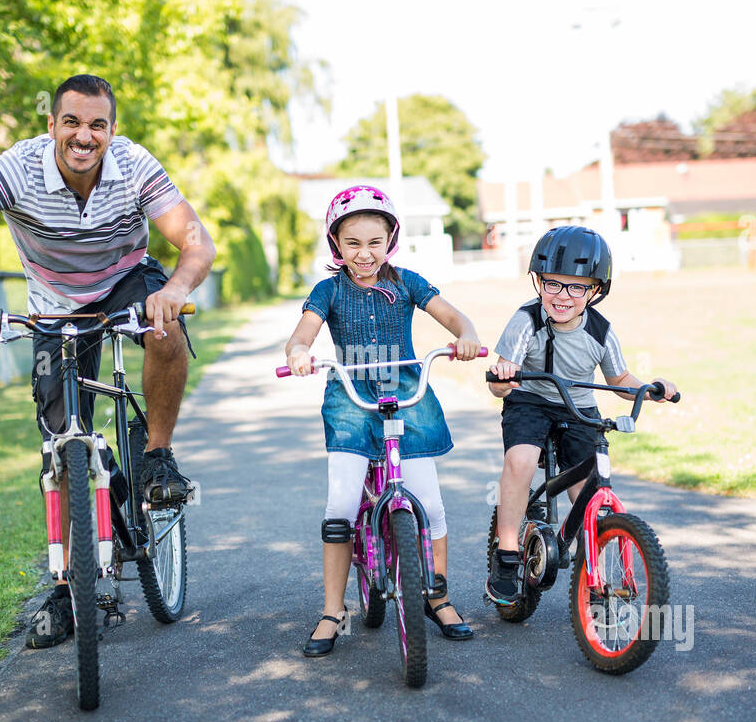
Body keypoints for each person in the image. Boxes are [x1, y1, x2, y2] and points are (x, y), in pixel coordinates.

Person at [0, 73, 216, 649]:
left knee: (165, 328)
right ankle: (68, 588)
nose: (85, 135)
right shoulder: (19, 168)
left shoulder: (133, 165)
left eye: (97, 125)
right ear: (52, 125)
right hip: (53, 308)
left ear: (112, 130)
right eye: (72, 122)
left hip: (128, 282)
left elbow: (196, 241)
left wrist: (175, 289)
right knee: (61, 449)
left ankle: (156, 457)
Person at [284, 185, 482, 656]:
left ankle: (438, 596)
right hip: (351, 399)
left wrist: (467, 334)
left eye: (374, 242)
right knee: (340, 505)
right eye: (352, 243)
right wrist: (298, 351)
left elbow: (452, 317)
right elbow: (305, 331)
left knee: (430, 505)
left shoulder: (408, 282)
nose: (364, 253)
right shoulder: (328, 289)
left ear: (390, 238)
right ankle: (334, 610)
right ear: (337, 245)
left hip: (407, 395)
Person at [485, 225, 677, 607]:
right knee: (520, 460)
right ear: (539, 281)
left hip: (579, 406)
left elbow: (619, 378)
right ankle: (507, 553)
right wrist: (504, 380)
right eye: (554, 284)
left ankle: (594, 572)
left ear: (595, 290)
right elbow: (499, 379)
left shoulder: (601, 331)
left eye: (577, 287)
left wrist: (648, 389)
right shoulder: (526, 320)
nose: (563, 296)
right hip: (530, 400)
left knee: (587, 491)